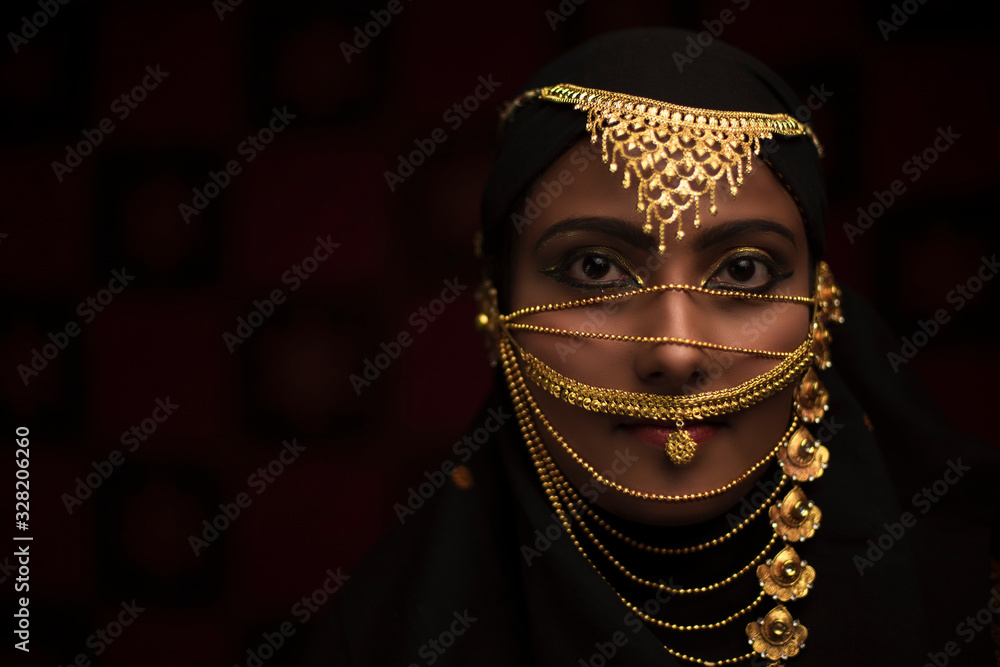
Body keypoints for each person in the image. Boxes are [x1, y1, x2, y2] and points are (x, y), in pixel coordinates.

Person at [304, 28, 1000, 666]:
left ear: (822, 306)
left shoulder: (972, 598)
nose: (676, 353)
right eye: (595, 269)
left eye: (744, 270)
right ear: (496, 303)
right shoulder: (377, 643)